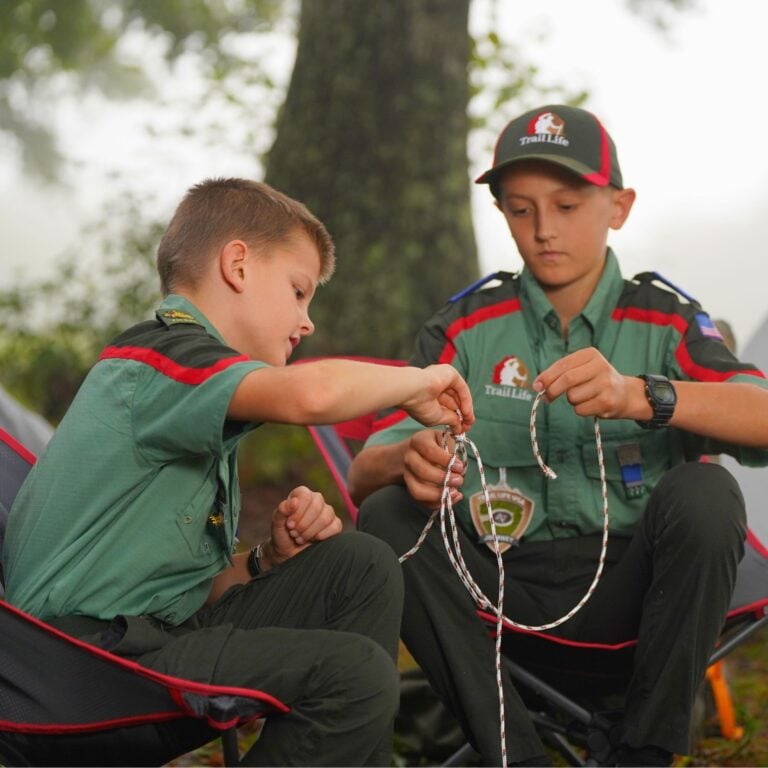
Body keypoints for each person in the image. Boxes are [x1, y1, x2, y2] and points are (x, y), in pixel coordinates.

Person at [2, 177, 475, 767]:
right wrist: (420, 380)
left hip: (147, 644)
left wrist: (266, 562)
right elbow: (309, 397)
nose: (306, 323)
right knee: (352, 676)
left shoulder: (197, 403)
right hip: (73, 667)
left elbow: (184, 595)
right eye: (299, 292)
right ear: (237, 265)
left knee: (360, 565)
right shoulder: (157, 359)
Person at [348, 105, 768, 767]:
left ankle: (645, 754)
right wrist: (408, 457)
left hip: (639, 602)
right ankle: (518, 756)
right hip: (498, 603)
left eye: (568, 205)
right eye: (520, 210)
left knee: (707, 491)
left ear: (618, 206)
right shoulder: (464, 328)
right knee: (385, 512)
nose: (543, 231)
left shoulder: (667, 321)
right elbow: (361, 471)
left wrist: (642, 394)